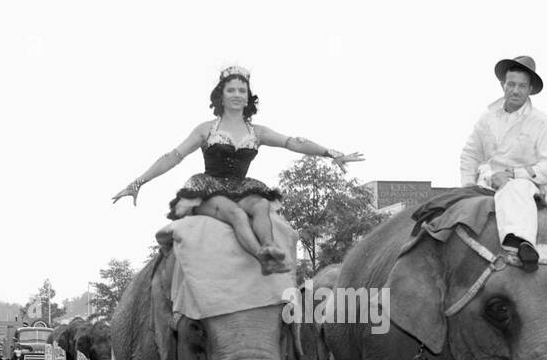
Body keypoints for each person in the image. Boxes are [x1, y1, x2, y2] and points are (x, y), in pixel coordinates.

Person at [113, 65, 363, 274]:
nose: (236, 94)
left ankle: (268, 246)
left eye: (242, 90)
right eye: (231, 90)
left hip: (241, 187)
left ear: (248, 97)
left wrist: (331, 153)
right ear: (221, 96)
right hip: (209, 189)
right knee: (236, 214)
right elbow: (173, 156)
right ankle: (261, 258)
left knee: (261, 205)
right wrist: (137, 183)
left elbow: (293, 142)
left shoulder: (258, 132)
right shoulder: (206, 129)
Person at [459, 55, 547, 270]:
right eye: (511, 84)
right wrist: (468, 185)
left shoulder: (543, 123)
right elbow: (470, 154)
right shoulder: (487, 118)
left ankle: (521, 243)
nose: (515, 91)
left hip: (524, 187)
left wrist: (514, 174)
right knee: (447, 209)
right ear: (502, 85)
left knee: (516, 189)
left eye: (522, 86)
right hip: (484, 183)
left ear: (530, 89)